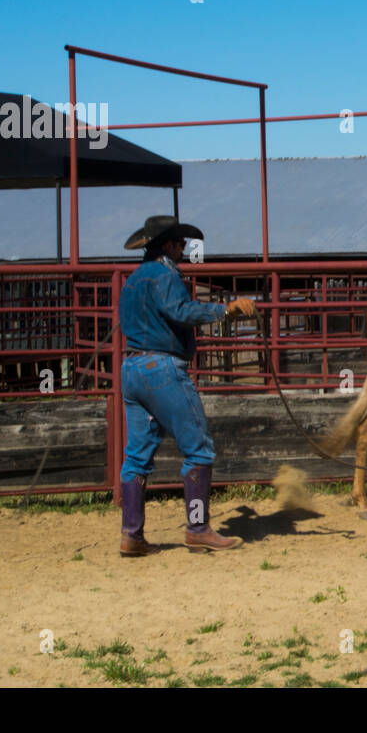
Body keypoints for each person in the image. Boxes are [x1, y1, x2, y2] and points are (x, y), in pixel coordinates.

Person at [118, 215, 257, 556]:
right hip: (161, 369)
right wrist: (225, 311)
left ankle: (131, 535)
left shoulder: (133, 280)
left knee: (136, 456)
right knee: (198, 447)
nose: (184, 248)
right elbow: (179, 310)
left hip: (132, 368)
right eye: (180, 243)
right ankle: (197, 527)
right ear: (167, 245)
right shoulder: (166, 275)